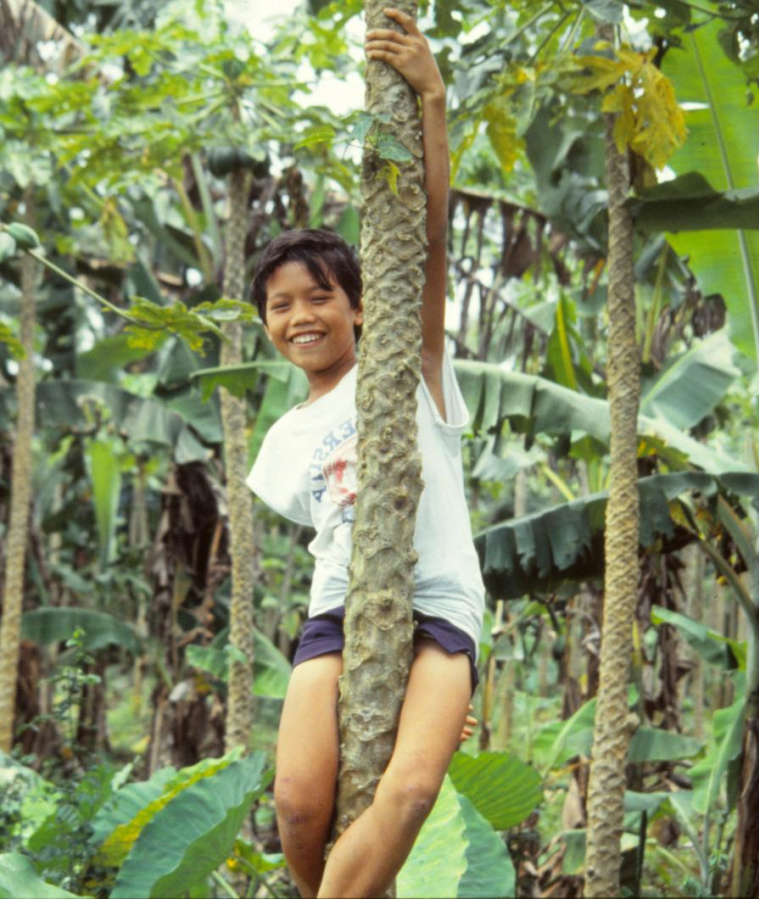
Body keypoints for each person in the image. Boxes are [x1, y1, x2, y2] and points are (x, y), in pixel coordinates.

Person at [245, 9, 486, 897]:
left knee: (414, 784)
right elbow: (329, 533)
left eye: (319, 296)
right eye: (280, 305)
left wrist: (431, 97)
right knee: (299, 806)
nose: (301, 316)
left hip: (441, 596)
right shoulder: (282, 440)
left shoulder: (405, 366)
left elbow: (426, 238)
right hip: (339, 604)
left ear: (357, 303)